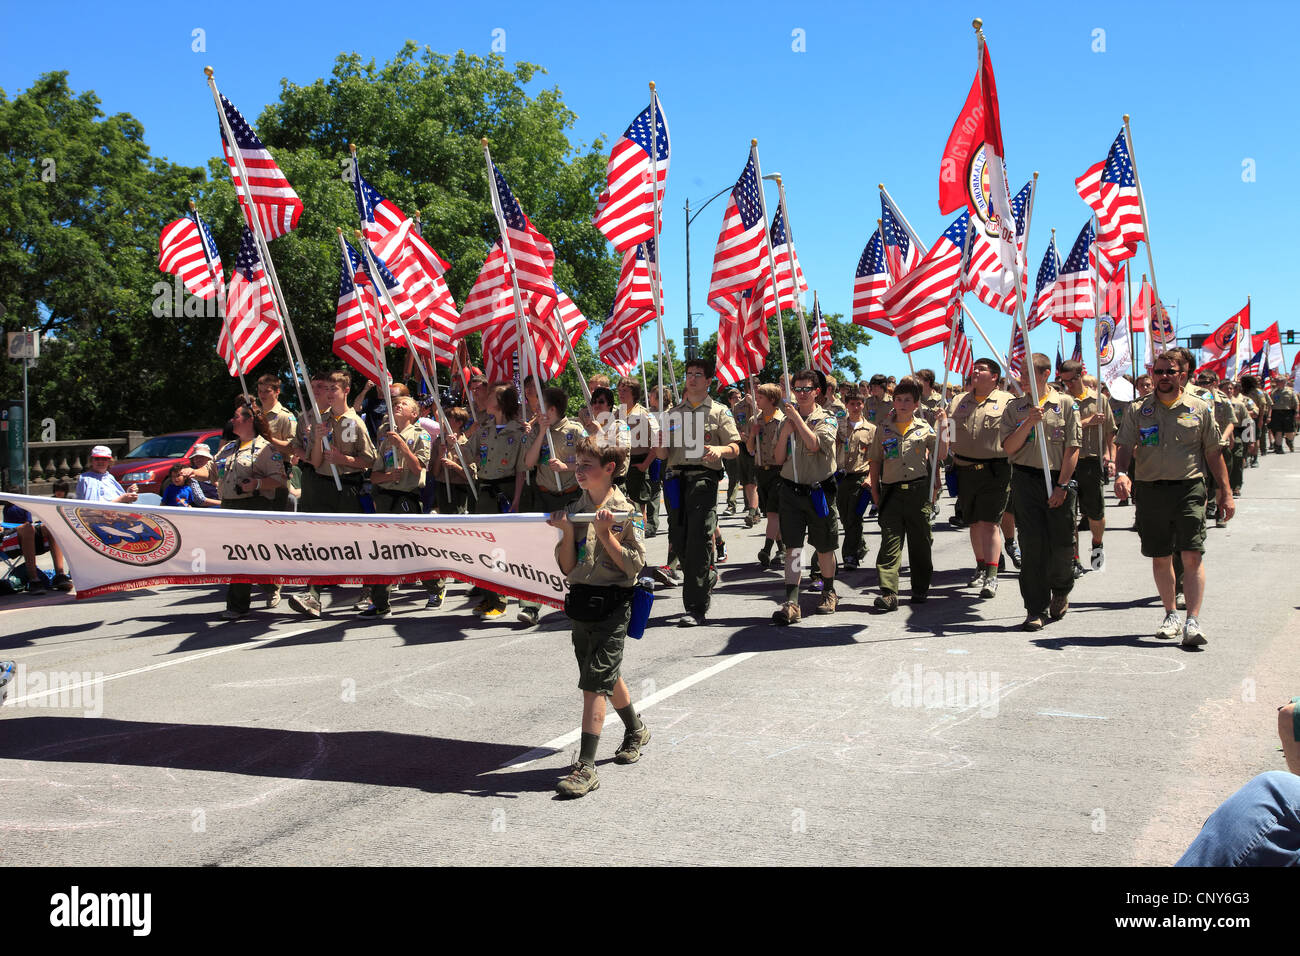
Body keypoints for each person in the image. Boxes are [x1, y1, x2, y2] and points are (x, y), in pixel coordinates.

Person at [548, 438, 648, 798]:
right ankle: (636, 728)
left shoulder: (628, 510)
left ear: (609, 469)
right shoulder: (575, 508)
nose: (578, 469)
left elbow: (635, 565)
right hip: (581, 601)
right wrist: (564, 534)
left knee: (594, 682)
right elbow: (568, 567)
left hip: (613, 602)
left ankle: (585, 767)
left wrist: (606, 534)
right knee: (603, 673)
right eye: (576, 463)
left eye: (586, 464)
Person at [1114, 350, 1234, 646]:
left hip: (1189, 488)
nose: (1163, 376)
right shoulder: (1137, 410)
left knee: (1192, 553)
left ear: (1183, 375)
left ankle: (1192, 620)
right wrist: (1121, 473)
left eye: (1170, 371)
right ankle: (1170, 615)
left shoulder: (1199, 407)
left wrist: (1225, 493)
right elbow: (1125, 445)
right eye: (1158, 371)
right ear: (1152, 374)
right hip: (1151, 489)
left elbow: (1213, 452)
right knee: (1161, 556)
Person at [654, 358, 740, 626]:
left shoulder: (718, 411)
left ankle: (695, 606)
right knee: (678, 539)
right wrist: (658, 443)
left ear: (708, 381)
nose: (691, 378)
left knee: (699, 539)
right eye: (688, 373)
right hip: (675, 479)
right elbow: (663, 454)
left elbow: (736, 446)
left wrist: (720, 450)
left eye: (698, 374)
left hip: (703, 478)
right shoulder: (672, 414)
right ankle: (707, 575)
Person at [1001, 353, 1081, 632]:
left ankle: (1060, 588)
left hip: (1059, 478)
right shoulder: (1015, 408)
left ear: (1045, 374)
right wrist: (1028, 423)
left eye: (1027, 372)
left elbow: (1073, 448)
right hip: (1026, 479)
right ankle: (1035, 608)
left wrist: (1062, 486)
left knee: (1060, 545)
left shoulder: (1066, 404)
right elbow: (1009, 448)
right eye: (1019, 372)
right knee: (1032, 547)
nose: (1020, 377)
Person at [287, 371, 376, 618]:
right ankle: (312, 594)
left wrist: (342, 459)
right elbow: (315, 462)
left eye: (333, 389)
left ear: (346, 391)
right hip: (320, 485)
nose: (328, 393)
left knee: (354, 541)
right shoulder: (319, 420)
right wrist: (317, 439)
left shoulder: (354, 421)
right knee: (316, 541)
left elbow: (369, 460)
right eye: (326, 389)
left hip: (347, 486)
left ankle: (370, 587)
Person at [771, 369, 841, 624]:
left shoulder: (827, 419)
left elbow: (814, 445)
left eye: (805, 389)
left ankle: (828, 590)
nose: (800, 394)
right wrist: (786, 432)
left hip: (818, 489)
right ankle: (792, 601)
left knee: (824, 545)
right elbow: (778, 458)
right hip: (791, 489)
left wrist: (797, 423)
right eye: (796, 389)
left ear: (816, 392)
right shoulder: (784, 421)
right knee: (793, 549)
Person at [867, 377, 941, 611]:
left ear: (916, 404)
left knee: (920, 543)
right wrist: (875, 492)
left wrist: (945, 425)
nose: (902, 403)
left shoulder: (924, 427)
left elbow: (941, 454)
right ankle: (889, 592)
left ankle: (920, 588)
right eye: (898, 399)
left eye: (908, 400)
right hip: (892, 493)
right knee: (890, 543)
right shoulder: (883, 428)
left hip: (918, 492)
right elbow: (875, 461)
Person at [520, 386, 589, 627]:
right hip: (544, 497)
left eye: (539, 407)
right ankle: (530, 606)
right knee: (538, 552)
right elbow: (528, 463)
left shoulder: (575, 430)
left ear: (552, 409)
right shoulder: (536, 430)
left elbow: (590, 463)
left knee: (574, 551)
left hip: (570, 498)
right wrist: (541, 433)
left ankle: (576, 598)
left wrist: (567, 467)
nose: (535, 410)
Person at [213, 400, 288, 620]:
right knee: (242, 556)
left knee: (241, 556)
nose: (231, 420)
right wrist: (191, 471)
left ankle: (237, 605)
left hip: (252, 506)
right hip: (229, 507)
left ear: (249, 421)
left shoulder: (265, 448)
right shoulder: (230, 448)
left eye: (236, 416)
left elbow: (279, 480)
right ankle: (270, 582)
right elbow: (212, 469)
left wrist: (256, 484)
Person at [947, 358, 1015, 599]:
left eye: (981, 369)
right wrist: (942, 425)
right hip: (964, 469)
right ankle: (980, 564)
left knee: (990, 523)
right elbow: (949, 434)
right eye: (974, 368)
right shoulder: (958, 401)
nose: (975, 371)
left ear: (994, 376)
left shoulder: (1007, 402)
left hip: (995, 470)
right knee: (974, 523)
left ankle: (992, 574)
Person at [360, 395, 433, 619]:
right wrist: (387, 475)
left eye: (404, 405)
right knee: (383, 551)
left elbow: (418, 467)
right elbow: (373, 476)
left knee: (414, 549)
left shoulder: (421, 436)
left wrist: (402, 446)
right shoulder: (385, 440)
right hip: (384, 498)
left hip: (406, 498)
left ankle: (435, 585)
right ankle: (380, 602)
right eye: (396, 404)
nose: (398, 406)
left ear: (414, 413)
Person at [471, 384, 526, 621]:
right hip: (484, 489)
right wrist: (455, 442)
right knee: (482, 547)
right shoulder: (484, 428)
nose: (486, 397)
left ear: (502, 402)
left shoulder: (518, 431)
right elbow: (469, 452)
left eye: (491, 395)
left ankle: (500, 602)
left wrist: (516, 498)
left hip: (505, 489)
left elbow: (522, 470)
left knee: (499, 548)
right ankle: (488, 595)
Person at [1059, 361, 1114, 575]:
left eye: (1072, 380)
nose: (1069, 385)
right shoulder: (1063, 401)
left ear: (1081, 375)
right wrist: (1087, 420)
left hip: (1091, 460)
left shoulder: (1100, 400)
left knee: (1095, 512)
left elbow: (1110, 431)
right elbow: (1061, 430)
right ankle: (1074, 558)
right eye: (1064, 381)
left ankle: (1097, 544)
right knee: (1068, 513)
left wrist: (1110, 456)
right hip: (1068, 461)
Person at [749, 382, 786, 571]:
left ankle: (766, 549)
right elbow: (749, 449)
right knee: (772, 515)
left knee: (773, 514)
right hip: (760, 471)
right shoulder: (755, 420)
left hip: (778, 472)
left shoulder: (783, 420)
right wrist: (752, 435)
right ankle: (783, 549)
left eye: (761, 396)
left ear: (772, 399)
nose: (757, 399)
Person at [836, 391, 876, 570]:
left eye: (859, 403)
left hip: (860, 477)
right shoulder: (839, 427)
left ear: (863, 405)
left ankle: (850, 555)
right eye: (852, 403)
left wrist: (870, 478)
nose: (855, 407)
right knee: (844, 518)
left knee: (854, 517)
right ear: (846, 405)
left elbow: (874, 457)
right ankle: (860, 545)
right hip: (840, 477)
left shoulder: (871, 429)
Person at [617, 379, 661, 537]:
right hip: (621, 464)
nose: (621, 394)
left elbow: (657, 442)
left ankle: (639, 538)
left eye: (625, 390)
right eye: (619, 390)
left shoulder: (644, 414)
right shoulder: (617, 413)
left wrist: (645, 464)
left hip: (639, 462)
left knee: (639, 504)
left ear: (634, 393)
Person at [1194, 372, 1237, 529]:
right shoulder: (1195, 397)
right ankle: (1201, 518)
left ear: (1215, 383)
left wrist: (1224, 438)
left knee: (1219, 484)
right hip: (1202, 447)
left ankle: (1219, 514)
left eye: (1207, 382)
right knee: (1202, 484)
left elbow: (1231, 422)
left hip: (1219, 445)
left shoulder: (1222, 399)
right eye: (1201, 382)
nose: (1204, 385)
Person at [2, 499, 73, 592]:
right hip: (6, 540)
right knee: (27, 528)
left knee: (50, 526)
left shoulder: (19, 506)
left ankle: (60, 576)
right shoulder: (7, 508)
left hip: (18, 533)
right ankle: (34, 580)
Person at [730, 384, 761, 527]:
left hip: (758, 445)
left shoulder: (762, 402)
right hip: (743, 445)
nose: (754, 389)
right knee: (747, 482)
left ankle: (753, 511)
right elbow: (734, 424)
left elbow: (763, 418)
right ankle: (754, 510)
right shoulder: (738, 406)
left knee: (754, 481)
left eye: (757, 387)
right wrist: (740, 434)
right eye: (752, 387)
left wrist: (754, 404)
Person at [1268, 372, 1297, 453]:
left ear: (1284, 382)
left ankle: (1289, 441)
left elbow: (1296, 403)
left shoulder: (1291, 391)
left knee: (1289, 431)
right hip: (1276, 413)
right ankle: (1279, 447)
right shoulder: (1274, 392)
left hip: (1288, 413)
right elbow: (1271, 403)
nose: (1277, 382)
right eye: (1276, 381)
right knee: (1278, 430)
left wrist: (1297, 413)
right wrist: (1269, 415)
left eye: (1279, 381)